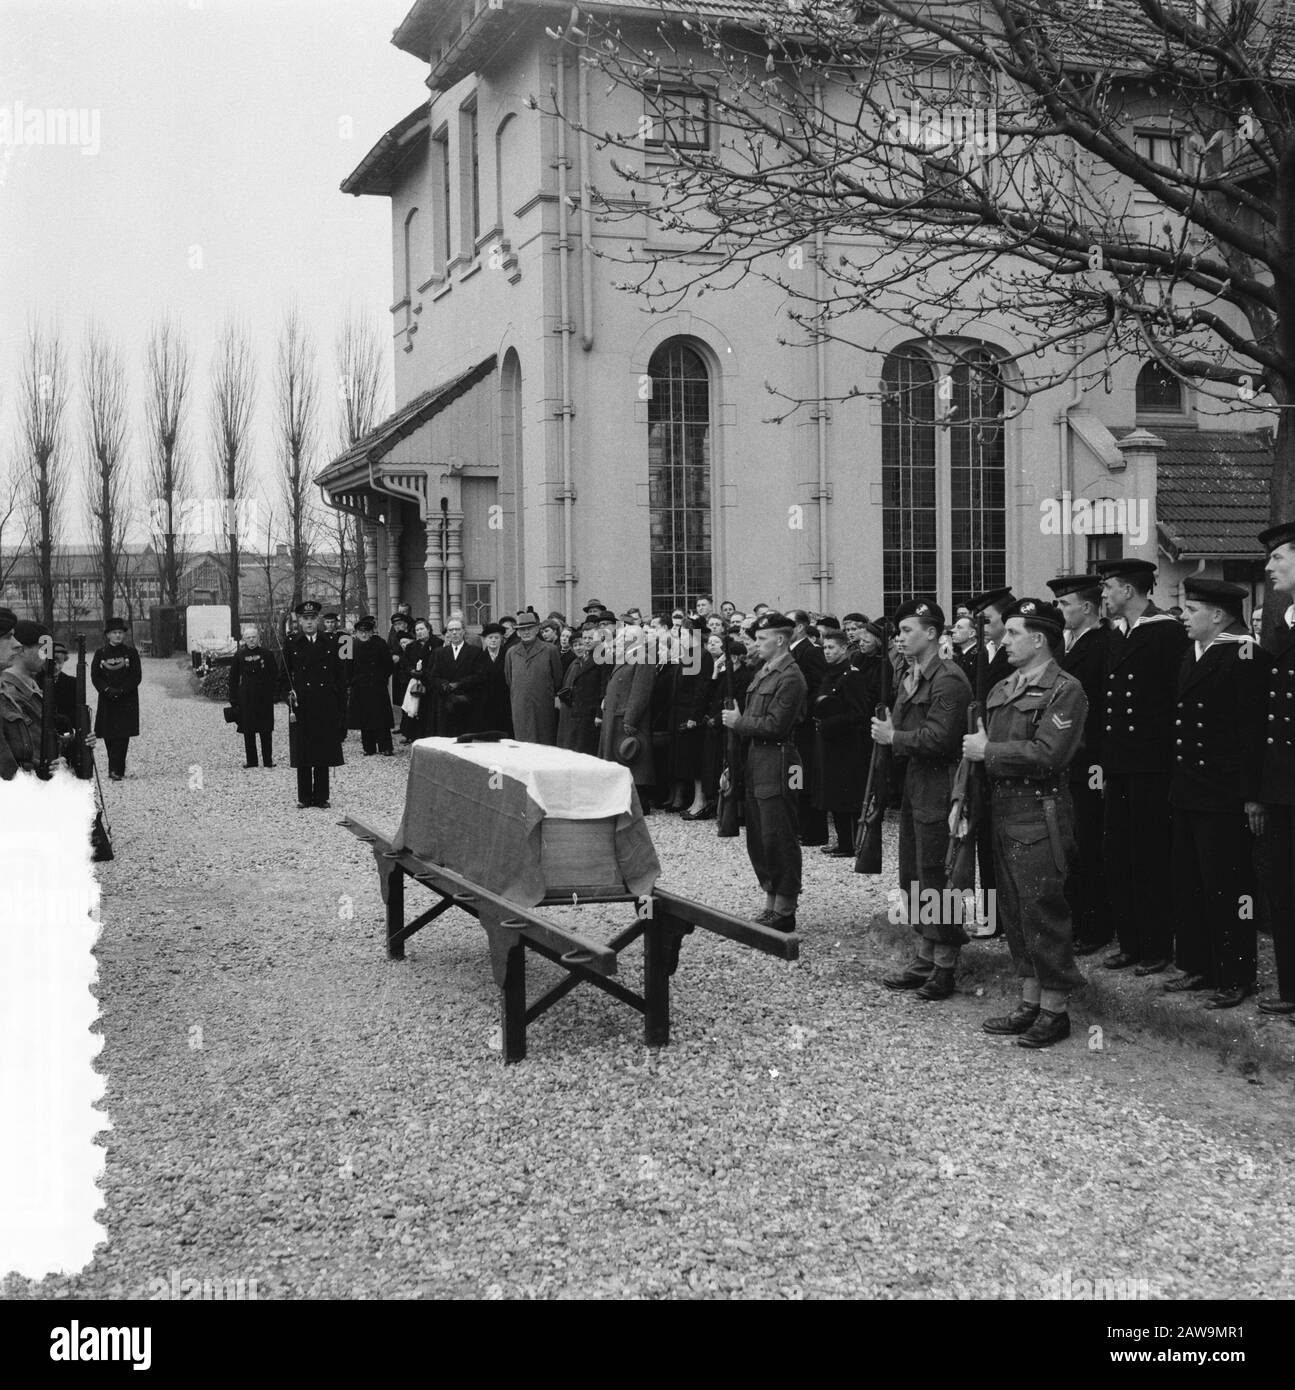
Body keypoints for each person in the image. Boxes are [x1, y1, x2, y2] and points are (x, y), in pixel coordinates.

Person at [962, 598, 1088, 1048]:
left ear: (1038, 639)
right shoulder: (1004, 688)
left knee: (1042, 908)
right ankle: (1030, 1001)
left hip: (1040, 813)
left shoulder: (1064, 690)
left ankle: (1055, 1011)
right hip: (1003, 810)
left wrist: (987, 752)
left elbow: (1049, 753)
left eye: (1013, 633)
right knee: (1014, 910)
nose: (1005, 639)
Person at [1161, 578, 1267, 1008]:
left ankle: (1236, 973)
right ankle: (1199, 965)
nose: (1183, 617)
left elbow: (1254, 732)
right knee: (1190, 882)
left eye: (1191, 610)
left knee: (1229, 885)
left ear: (1218, 615)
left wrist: (1252, 795)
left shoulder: (1244, 654)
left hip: (1224, 793)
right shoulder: (1194, 652)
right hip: (1189, 788)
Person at [1094, 557, 1191, 976]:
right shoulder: (1118, 633)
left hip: (1152, 764)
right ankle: (1131, 942)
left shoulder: (1166, 632)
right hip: (1119, 762)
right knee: (1119, 852)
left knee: (1149, 855)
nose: (1103, 595)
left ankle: (1155, 946)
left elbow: (1177, 701)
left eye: (1108, 587)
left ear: (1128, 590)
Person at [872, 599, 973, 1000]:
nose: (900, 637)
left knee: (939, 873)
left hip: (941, 781)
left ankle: (944, 966)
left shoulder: (948, 679)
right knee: (914, 872)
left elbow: (940, 738)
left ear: (932, 633)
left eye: (908, 630)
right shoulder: (913, 676)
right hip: (918, 781)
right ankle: (925, 954)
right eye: (899, 631)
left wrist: (893, 737)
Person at [1047, 573, 1122, 956]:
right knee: (1070, 842)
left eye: (1065, 604)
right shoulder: (1067, 643)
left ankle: (1094, 927)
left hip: (1091, 756)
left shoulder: (1106, 643)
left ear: (1088, 607)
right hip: (1069, 756)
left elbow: (1106, 706)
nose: (1060, 611)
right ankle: (1077, 919)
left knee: (1090, 841)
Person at [721, 612, 807, 932]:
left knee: (778, 833)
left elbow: (776, 725)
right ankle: (771, 901)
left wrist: (738, 722)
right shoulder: (764, 673)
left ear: (780, 640)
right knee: (759, 834)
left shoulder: (790, 676)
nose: (756, 644)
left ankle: (785, 908)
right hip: (758, 757)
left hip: (781, 759)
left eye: (761, 639)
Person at [1256, 519, 1295, 1016]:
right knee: (1285, 885)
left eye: (1278, 558)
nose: (1268, 567)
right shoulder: (1283, 621)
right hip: (1284, 782)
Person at [282, 599, 347, 809]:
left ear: (317, 620)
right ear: (299, 621)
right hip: (302, 704)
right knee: (303, 750)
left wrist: (339, 702)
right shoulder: (291, 643)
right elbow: (283, 676)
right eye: (305, 619)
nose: (309, 622)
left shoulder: (330, 643)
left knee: (322, 748)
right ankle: (304, 797)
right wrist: (288, 694)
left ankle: (321, 796)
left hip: (324, 702)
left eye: (312, 618)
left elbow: (339, 675)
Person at [812, 629, 870, 856]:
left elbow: (858, 713)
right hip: (829, 744)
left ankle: (850, 843)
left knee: (845, 797)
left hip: (845, 745)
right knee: (833, 795)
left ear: (844, 648)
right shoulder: (831, 674)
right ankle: (842, 839)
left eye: (831, 648)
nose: (827, 652)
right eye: (825, 647)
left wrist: (830, 724)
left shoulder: (851, 675)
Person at [599, 623, 658, 809]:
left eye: (625, 638)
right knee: (619, 761)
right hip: (615, 715)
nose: (621, 641)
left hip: (627, 718)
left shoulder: (644, 658)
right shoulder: (625, 657)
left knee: (632, 760)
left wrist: (631, 719)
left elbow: (641, 692)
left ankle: (639, 804)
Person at [788, 610, 829, 846]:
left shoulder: (811, 652)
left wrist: (804, 711)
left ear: (801, 627)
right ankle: (800, 825)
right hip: (795, 725)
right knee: (795, 777)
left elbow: (818, 685)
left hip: (805, 725)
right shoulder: (793, 652)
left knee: (806, 778)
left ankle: (813, 830)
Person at [91, 617, 142, 781]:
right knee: (109, 734)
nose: (118, 636)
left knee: (122, 734)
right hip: (107, 699)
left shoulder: (131, 653)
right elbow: (95, 676)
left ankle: (116, 769)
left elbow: (136, 676)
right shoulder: (100, 654)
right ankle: (114, 766)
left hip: (126, 700)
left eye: (120, 633)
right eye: (114, 633)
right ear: (108, 635)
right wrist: (106, 689)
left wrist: (121, 690)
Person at [505, 609, 563, 744]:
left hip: (543, 705)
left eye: (529, 628)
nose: (526, 632)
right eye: (522, 629)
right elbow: (509, 680)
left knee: (544, 742)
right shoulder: (511, 653)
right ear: (517, 632)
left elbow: (557, 679)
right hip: (520, 705)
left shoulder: (550, 650)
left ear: (537, 629)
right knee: (523, 742)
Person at [227, 624, 278, 767]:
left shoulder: (267, 654)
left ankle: (268, 761)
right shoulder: (239, 655)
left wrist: (275, 694)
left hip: (264, 697)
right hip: (246, 697)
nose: (251, 640)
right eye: (248, 637)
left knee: (266, 730)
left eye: (254, 637)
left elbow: (275, 675)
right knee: (248, 731)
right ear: (244, 639)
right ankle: (252, 761)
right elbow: (233, 678)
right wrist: (233, 698)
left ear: (258, 638)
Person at [430, 615, 487, 736]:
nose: (454, 633)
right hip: (445, 702)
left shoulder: (474, 651)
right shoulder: (439, 652)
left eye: (457, 629)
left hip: (467, 701)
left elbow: (479, 676)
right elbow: (433, 676)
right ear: (447, 632)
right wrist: (444, 685)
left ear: (463, 631)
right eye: (451, 630)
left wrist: (459, 684)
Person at [347, 616, 396, 755]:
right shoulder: (349, 645)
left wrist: (381, 678)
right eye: (361, 631)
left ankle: (385, 747)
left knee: (381, 718)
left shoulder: (380, 643)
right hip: (360, 687)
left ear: (371, 632)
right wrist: (351, 682)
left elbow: (388, 665)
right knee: (364, 719)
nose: (364, 634)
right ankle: (368, 748)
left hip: (377, 686)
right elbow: (346, 667)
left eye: (367, 631)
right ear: (356, 632)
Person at [556, 624, 604, 755]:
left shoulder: (600, 659)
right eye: (585, 638)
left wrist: (599, 714)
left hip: (590, 714)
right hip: (575, 713)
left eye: (590, 638)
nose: (586, 642)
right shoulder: (577, 662)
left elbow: (603, 689)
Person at [399, 618, 439, 741]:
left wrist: (425, 673)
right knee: (413, 709)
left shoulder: (438, 644)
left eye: (422, 629)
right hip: (415, 682)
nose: (419, 632)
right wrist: (412, 671)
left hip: (430, 682)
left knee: (428, 710)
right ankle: (412, 735)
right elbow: (405, 664)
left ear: (428, 629)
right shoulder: (411, 646)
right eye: (417, 630)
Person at [478, 622, 513, 734]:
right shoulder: (478, 657)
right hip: (484, 704)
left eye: (496, 637)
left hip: (504, 702)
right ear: (484, 639)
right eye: (490, 637)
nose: (493, 640)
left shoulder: (508, 655)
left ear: (501, 639)